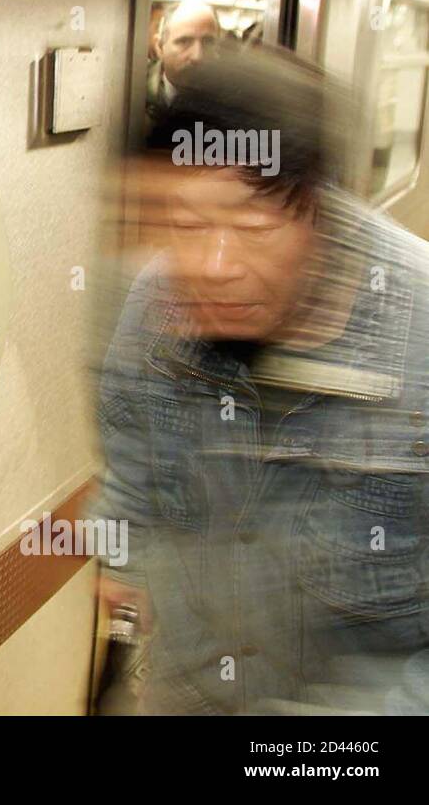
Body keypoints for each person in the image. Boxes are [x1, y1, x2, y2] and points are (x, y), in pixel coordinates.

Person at [93, 45, 429, 714]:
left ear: (317, 210)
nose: (213, 263)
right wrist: (123, 557)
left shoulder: (416, 338)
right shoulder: (155, 309)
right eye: (186, 225)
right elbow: (132, 462)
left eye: (251, 225)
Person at [147, 0, 220, 122]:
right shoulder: (133, 93)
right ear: (160, 47)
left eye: (208, 42)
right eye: (184, 41)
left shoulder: (235, 103)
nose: (197, 56)